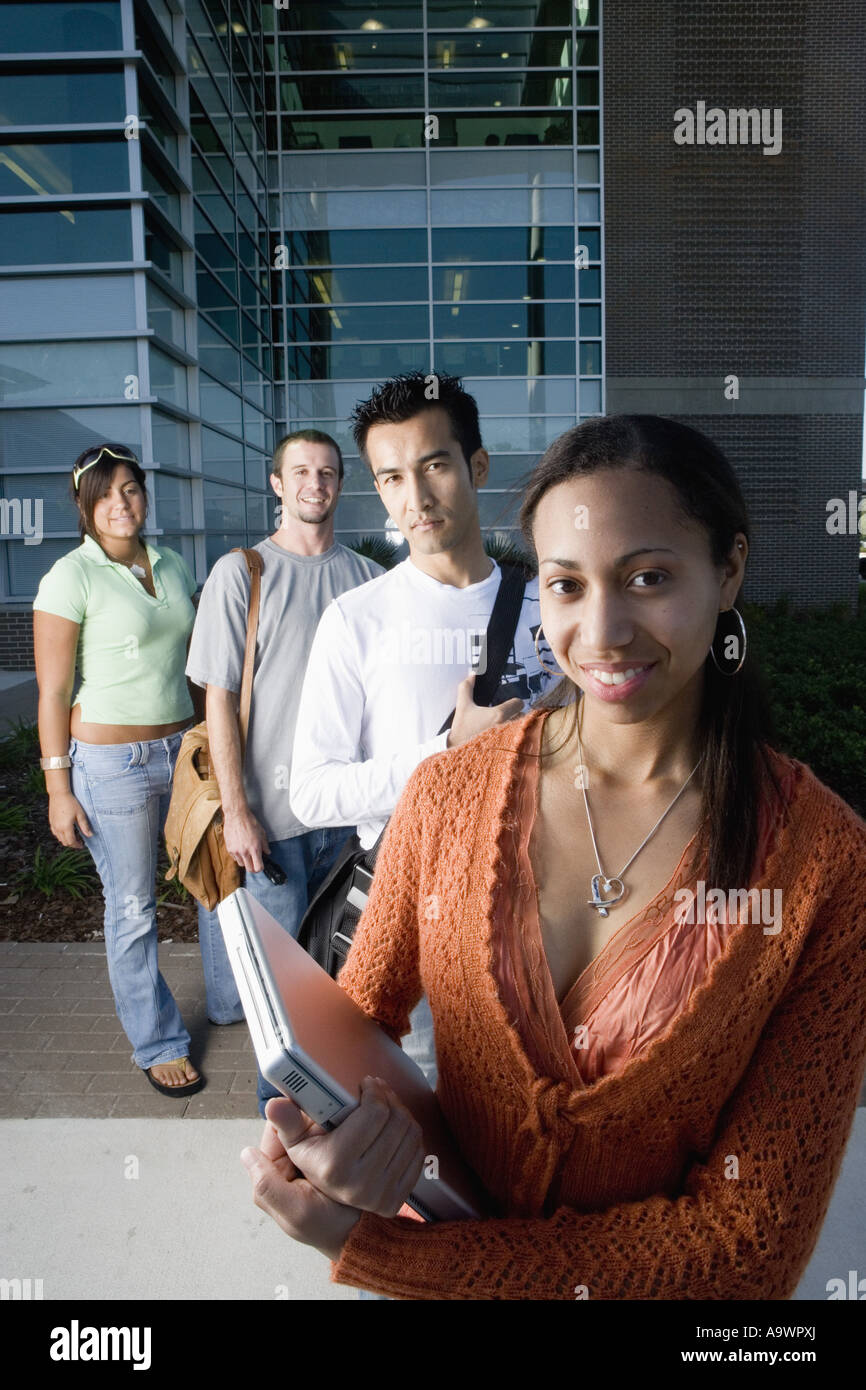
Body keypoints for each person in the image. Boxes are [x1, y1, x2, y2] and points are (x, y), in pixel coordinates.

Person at [240, 415, 866, 1299]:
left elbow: (747, 1247)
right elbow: (354, 1029)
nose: (603, 632)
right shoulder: (447, 794)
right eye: (568, 586)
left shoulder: (824, 866)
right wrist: (338, 1146)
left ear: (729, 569)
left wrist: (395, 1257)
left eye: (648, 577)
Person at [288, 371, 561, 1089]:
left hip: (542, 910)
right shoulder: (358, 619)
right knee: (427, 1118)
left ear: (475, 466)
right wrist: (445, 753)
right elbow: (312, 795)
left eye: (434, 465)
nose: (415, 497)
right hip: (421, 915)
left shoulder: (551, 609)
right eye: (390, 478)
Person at [186, 429, 384, 1117]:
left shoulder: (366, 578)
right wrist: (236, 812)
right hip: (271, 823)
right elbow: (219, 697)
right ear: (277, 483)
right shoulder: (241, 573)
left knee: (341, 980)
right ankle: (285, 1127)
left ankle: (337, 1108)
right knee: (281, 995)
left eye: (328, 472)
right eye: (300, 471)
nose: (315, 483)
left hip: (347, 822)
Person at [32, 444, 203, 1097]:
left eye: (131, 489)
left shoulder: (173, 563)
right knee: (132, 907)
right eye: (106, 494)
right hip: (114, 765)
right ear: (85, 504)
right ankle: (157, 1041)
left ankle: (231, 1005)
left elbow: (190, 662)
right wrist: (57, 786)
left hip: (183, 750)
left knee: (214, 883)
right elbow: (51, 692)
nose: (122, 504)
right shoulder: (70, 576)